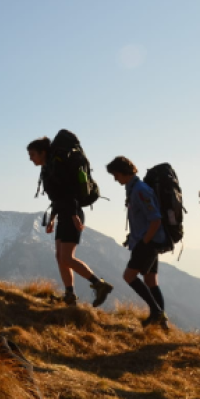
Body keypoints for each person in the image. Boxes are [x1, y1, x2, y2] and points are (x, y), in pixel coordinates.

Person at [28, 136, 113, 305]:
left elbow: (69, 191)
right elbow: (57, 197)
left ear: (42, 152)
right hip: (64, 214)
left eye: (32, 155)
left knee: (67, 257)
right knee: (60, 256)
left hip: (72, 214)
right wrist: (52, 218)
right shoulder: (48, 168)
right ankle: (69, 294)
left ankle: (99, 284)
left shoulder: (57, 166)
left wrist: (74, 215)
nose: (31, 159)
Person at [106, 156, 169, 329]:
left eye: (115, 175)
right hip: (148, 240)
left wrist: (144, 242)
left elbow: (155, 219)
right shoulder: (133, 188)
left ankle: (156, 312)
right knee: (150, 280)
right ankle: (161, 322)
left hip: (148, 241)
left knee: (129, 276)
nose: (115, 178)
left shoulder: (140, 190)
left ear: (122, 172)